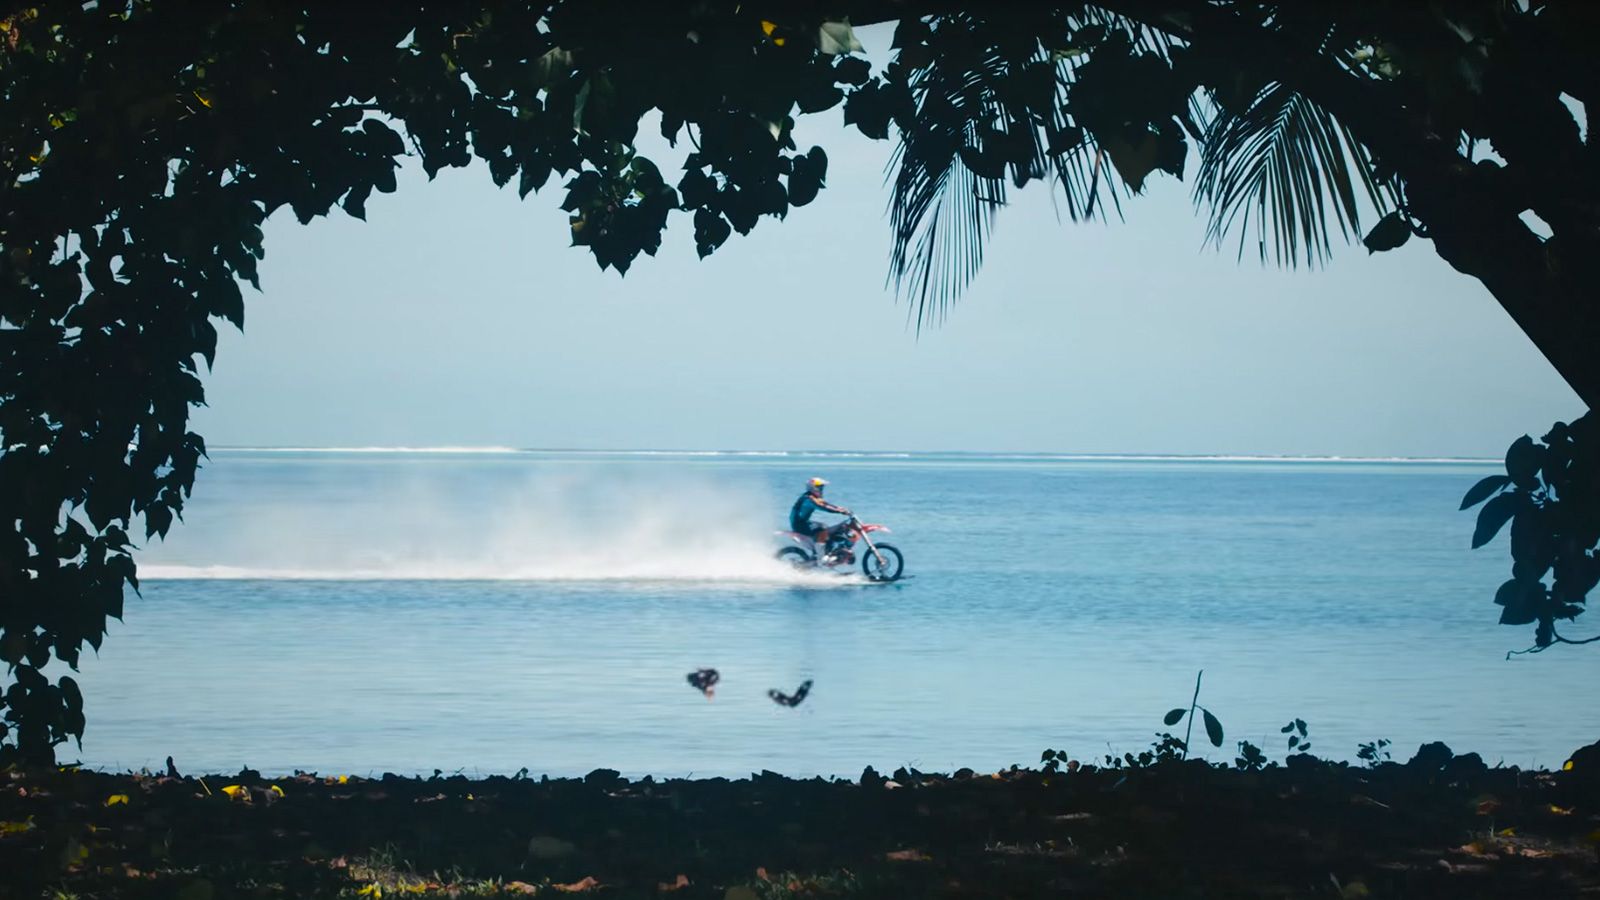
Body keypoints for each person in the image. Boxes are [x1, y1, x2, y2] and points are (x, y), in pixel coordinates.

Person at [790, 477, 852, 559]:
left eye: (822, 488)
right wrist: (839, 511)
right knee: (822, 530)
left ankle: (829, 549)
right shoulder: (808, 499)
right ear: (813, 488)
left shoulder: (813, 497)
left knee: (827, 527)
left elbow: (826, 504)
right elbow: (822, 507)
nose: (822, 490)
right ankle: (821, 558)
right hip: (799, 524)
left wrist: (840, 508)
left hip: (804, 522)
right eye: (820, 488)